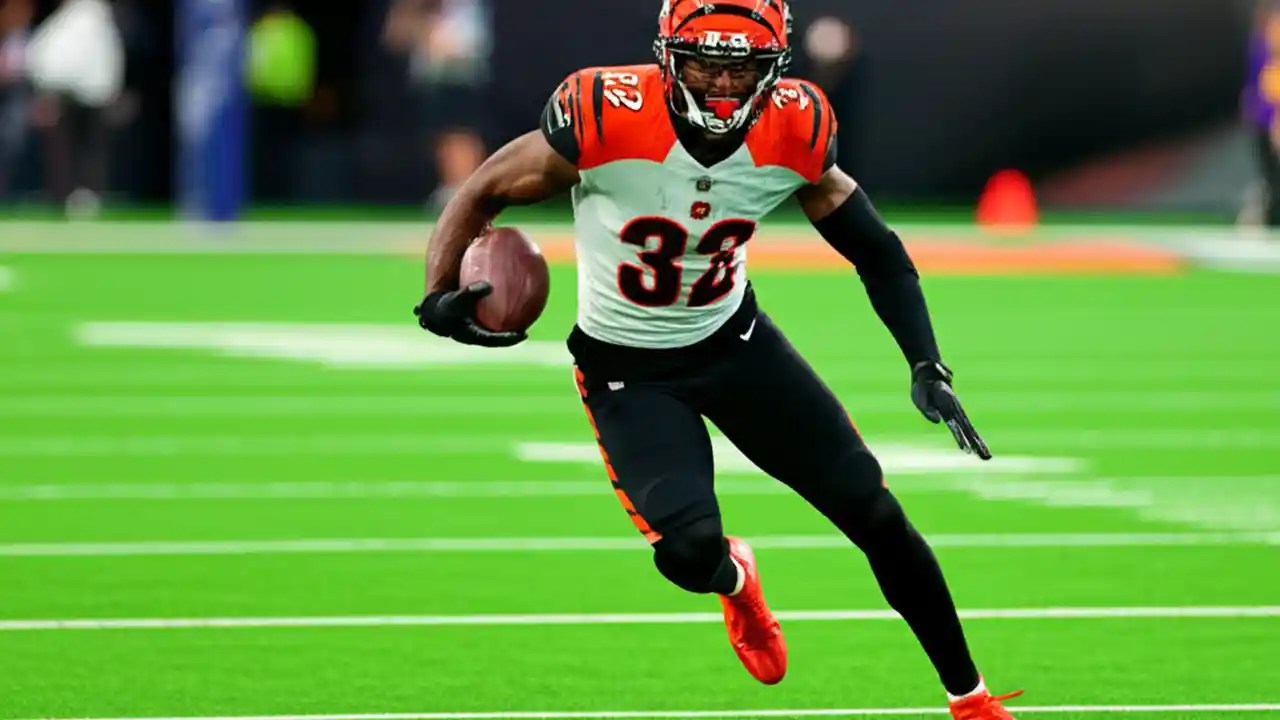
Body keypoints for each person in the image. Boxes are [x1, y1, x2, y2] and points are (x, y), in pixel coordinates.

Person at [413, 2, 1017, 718]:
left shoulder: (794, 128)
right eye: (705, 64)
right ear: (669, 57)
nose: (724, 84)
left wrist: (926, 363)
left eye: (743, 67)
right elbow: (483, 186)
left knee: (874, 511)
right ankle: (736, 581)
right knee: (689, 553)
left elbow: (877, 253)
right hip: (628, 370)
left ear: (775, 69)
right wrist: (437, 294)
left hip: (736, 345)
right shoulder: (605, 115)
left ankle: (971, 699)